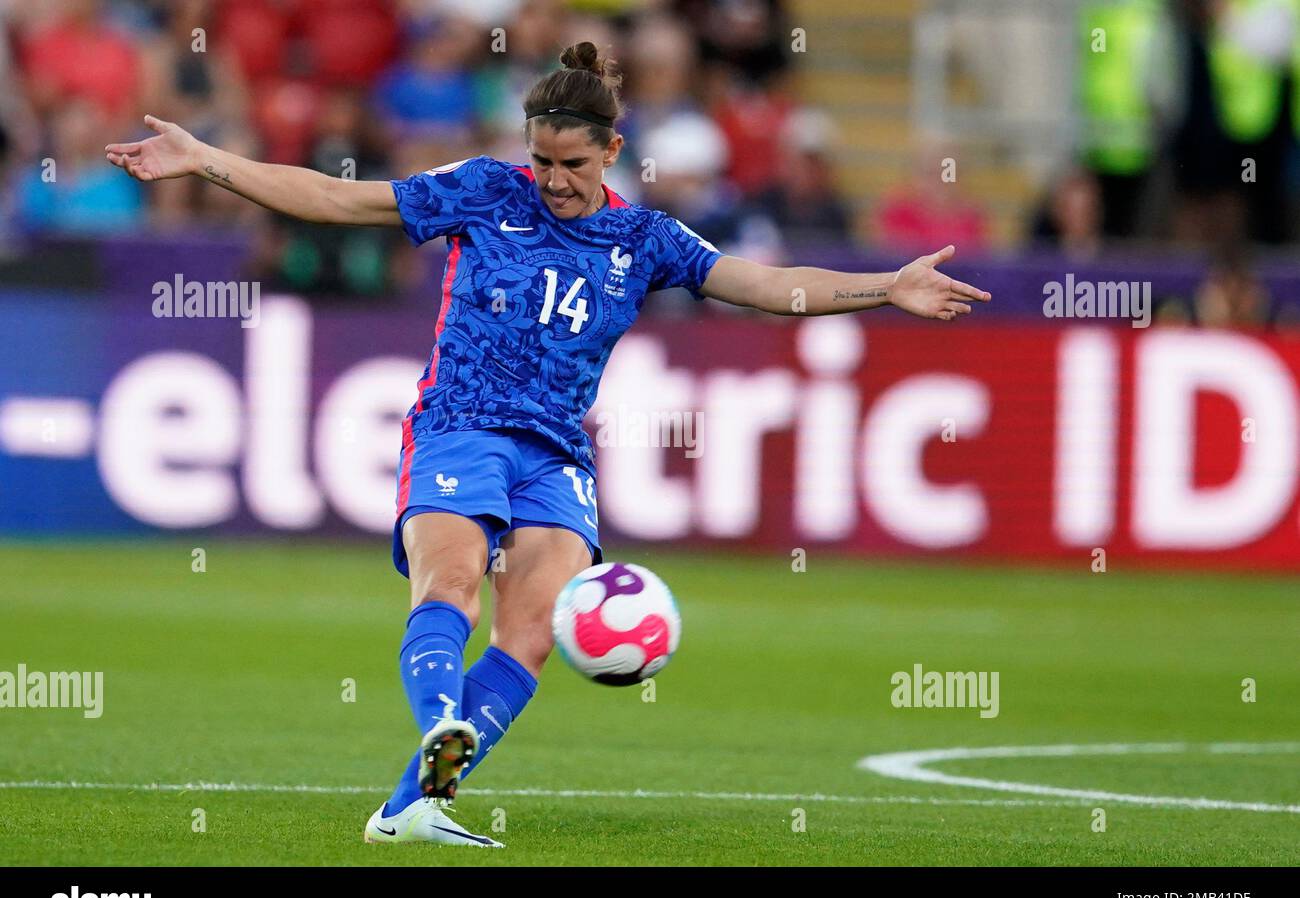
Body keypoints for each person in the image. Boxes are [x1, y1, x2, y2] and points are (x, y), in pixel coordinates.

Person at [104, 40, 991, 848]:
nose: (554, 181)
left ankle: (413, 803)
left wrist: (886, 286)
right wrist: (208, 161)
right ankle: (441, 724)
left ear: (612, 152)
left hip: (558, 455)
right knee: (451, 579)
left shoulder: (644, 238)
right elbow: (339, 197)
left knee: (530, 633)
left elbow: (765, 282)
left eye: (571, 165)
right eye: (542, 161)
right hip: (461, 422)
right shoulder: (486, 190)